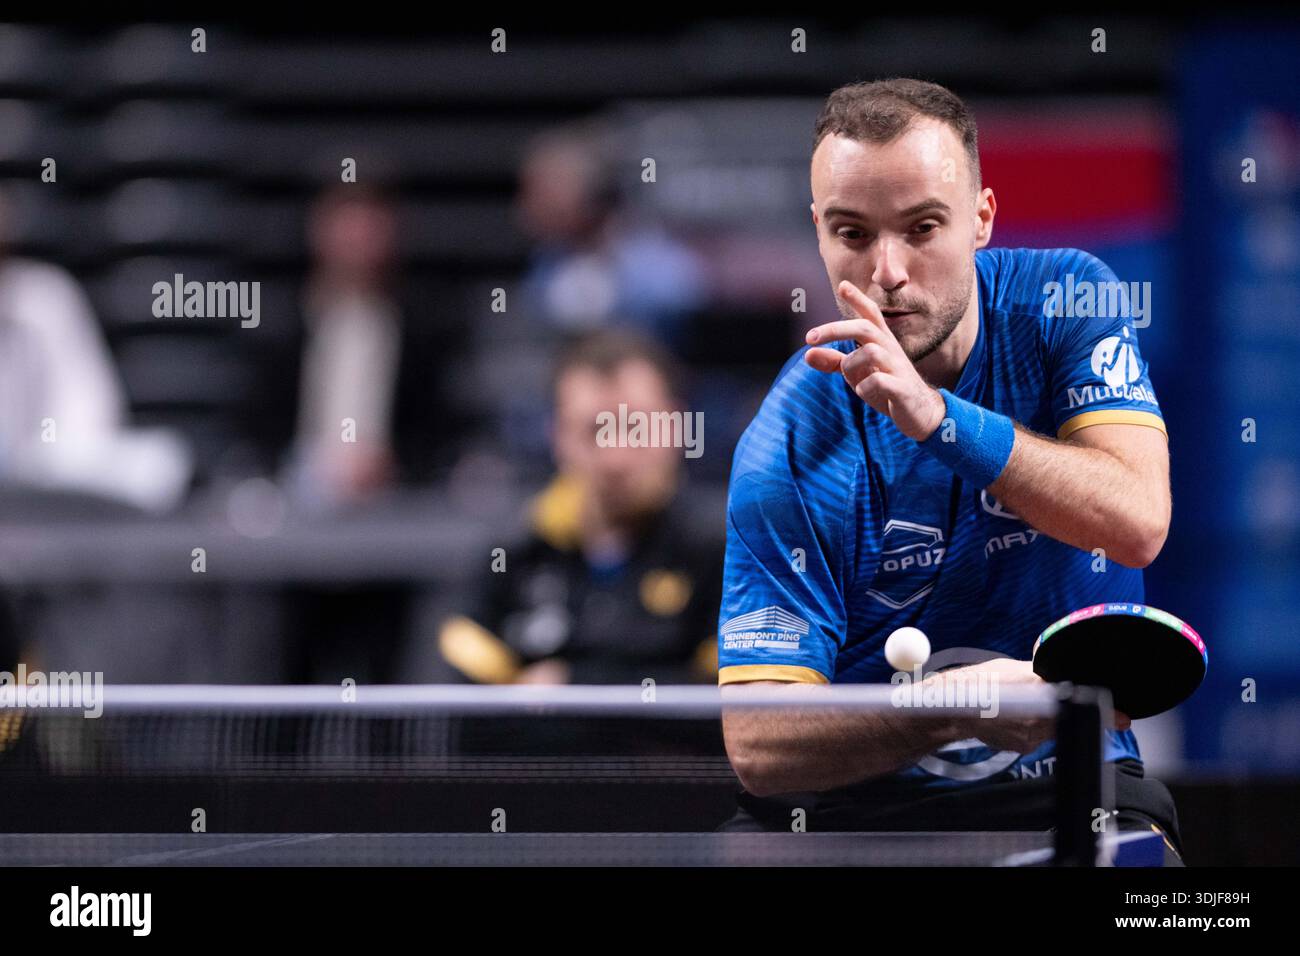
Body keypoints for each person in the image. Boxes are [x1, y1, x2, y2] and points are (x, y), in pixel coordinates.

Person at [716, 79, 1183, 863]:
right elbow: (760, 748)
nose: (888, 272)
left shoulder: (1062, 301)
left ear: (981, 219)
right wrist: (953, 710)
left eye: (923, 227)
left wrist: (941, 423)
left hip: (1067, 782)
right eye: (852, 233)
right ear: (818, 231)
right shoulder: (788, 442)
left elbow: (1137, 521)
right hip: (858, 808)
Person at [437, 330, 720, 685]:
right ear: (557, 436)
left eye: (637, 427)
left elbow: (728, 708)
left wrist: (571, 684)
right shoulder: (512, 554)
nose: (615, 459)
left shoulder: (725, 552)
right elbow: (454, 707)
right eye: (592, 431)